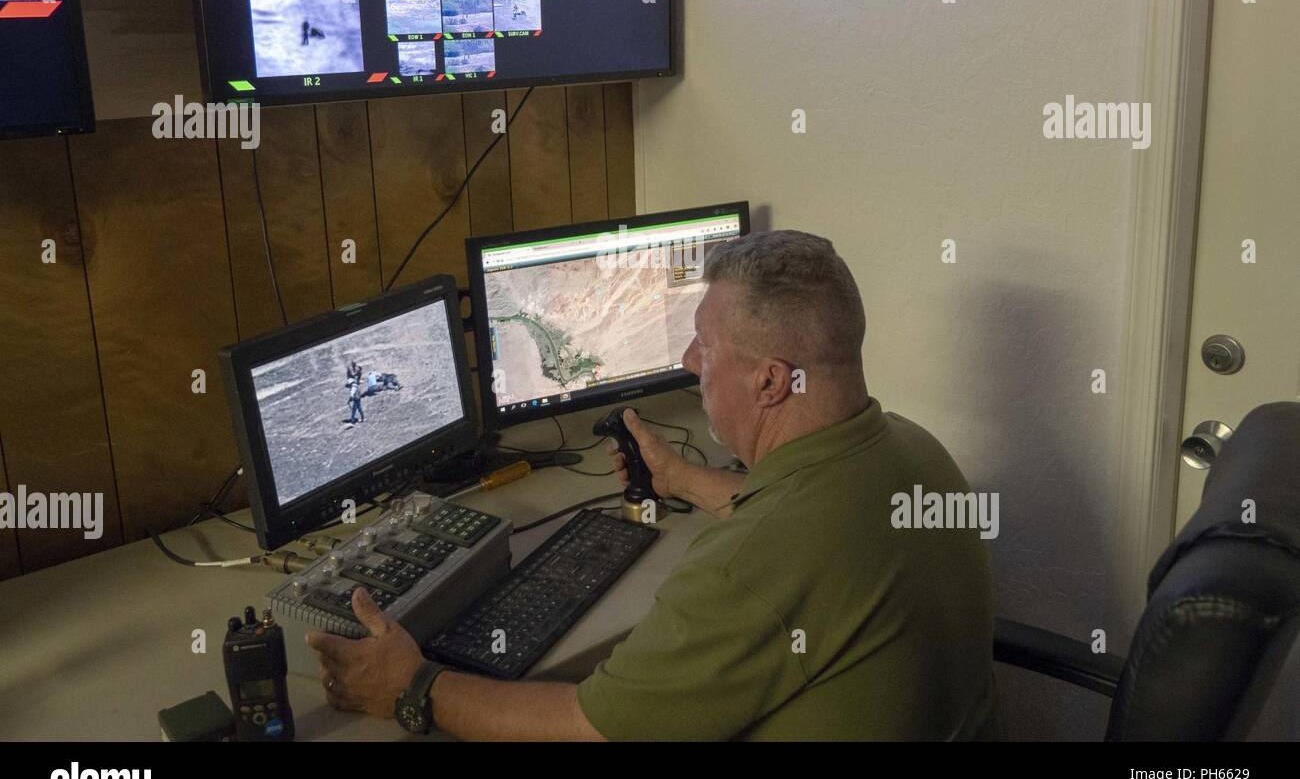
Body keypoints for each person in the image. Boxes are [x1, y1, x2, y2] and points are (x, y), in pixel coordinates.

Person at [307, 231, 999, 741]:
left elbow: (586, 725)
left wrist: (412, 684)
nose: (689, 359)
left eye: (706, 345)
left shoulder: (744, 567)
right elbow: (813, 528)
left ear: (768, 379)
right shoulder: (914, 455)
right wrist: (679, 478)